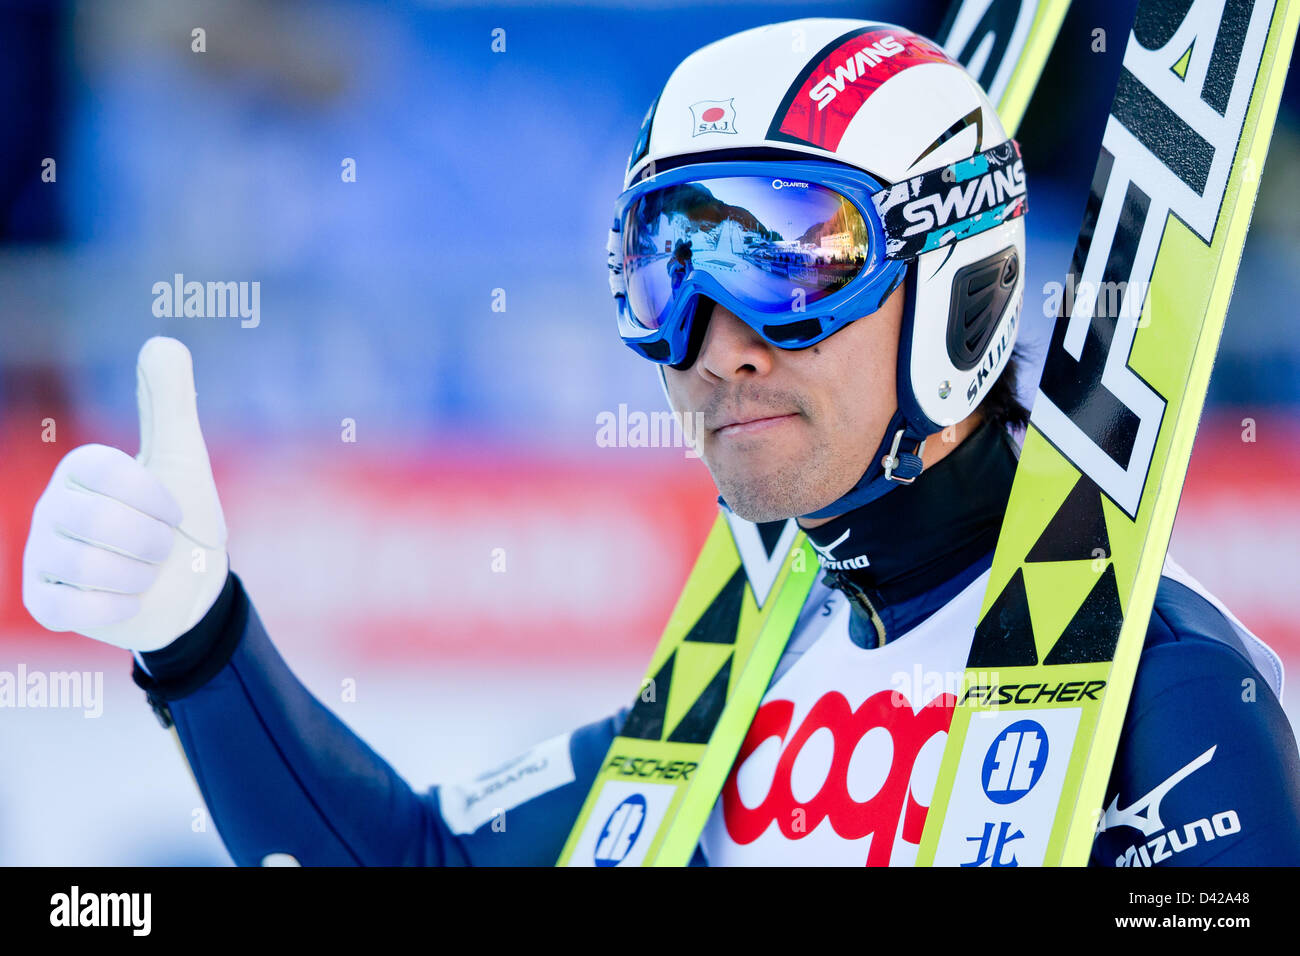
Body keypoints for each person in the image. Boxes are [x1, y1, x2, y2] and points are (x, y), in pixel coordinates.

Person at [21, 18, 1300, 866]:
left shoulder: (1175, 695)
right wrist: (197, 638)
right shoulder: (739, 682)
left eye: (795, 255)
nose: (713, 345)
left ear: (961, 288)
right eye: (663, 267)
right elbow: (414, 862)